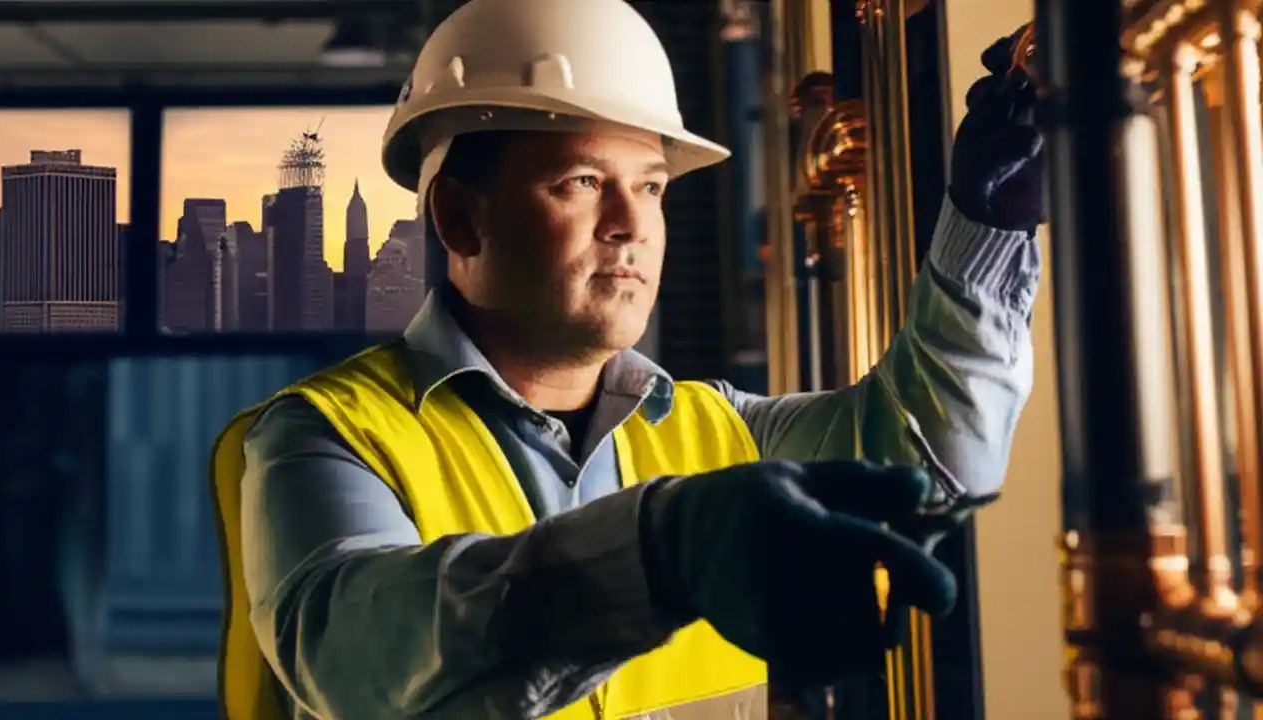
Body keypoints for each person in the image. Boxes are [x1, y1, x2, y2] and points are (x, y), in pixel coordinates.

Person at [209, 0, 1043, 717]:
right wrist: (658, 552)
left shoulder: (719, 430)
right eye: (580, 182)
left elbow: (932, 465)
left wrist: (987, 226)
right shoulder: (323, 439)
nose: (630, 224)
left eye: (649, 186)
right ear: (461, 219)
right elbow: (357, 659)